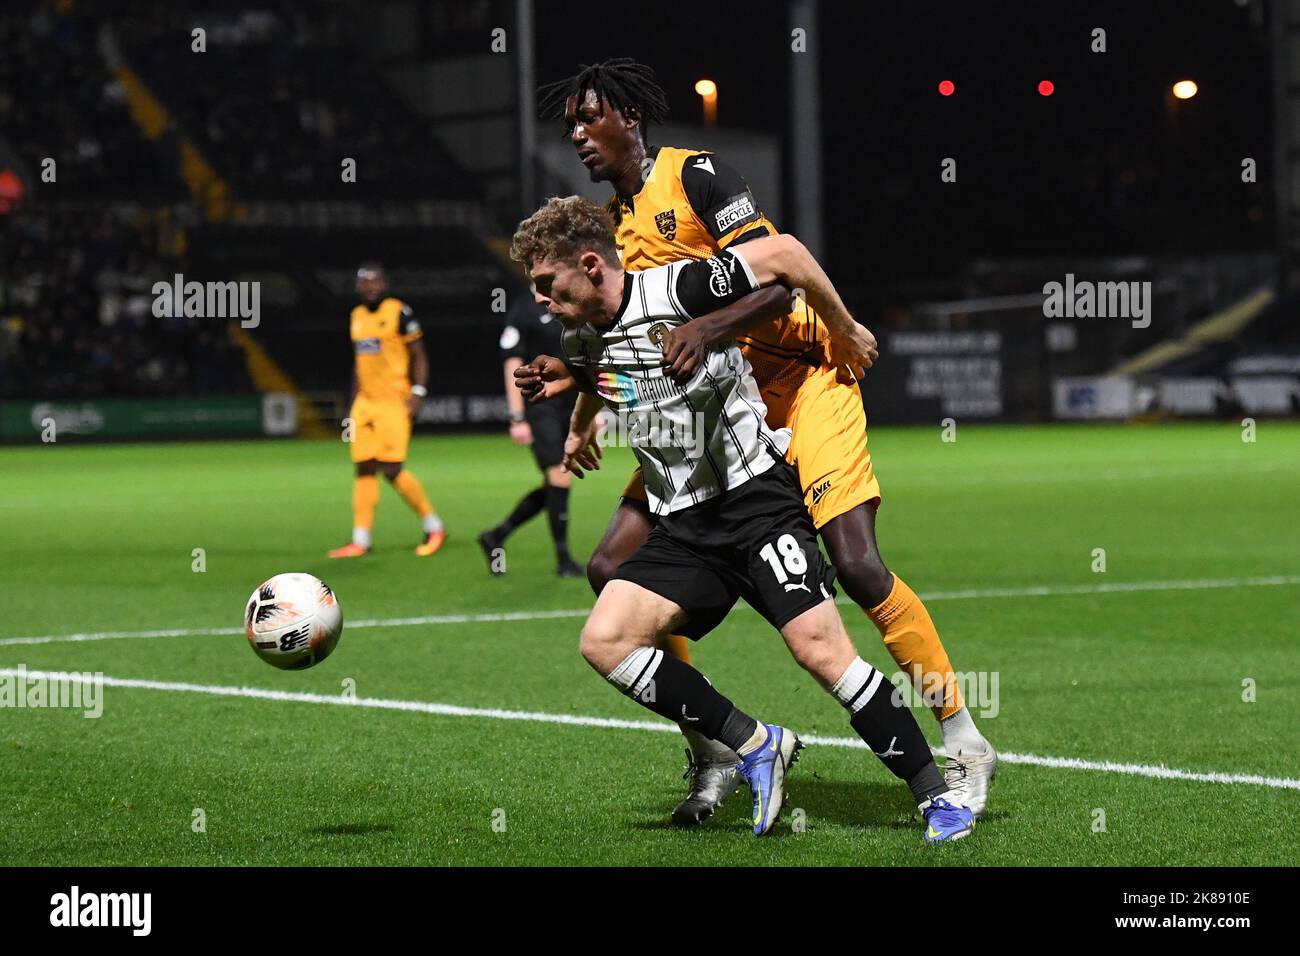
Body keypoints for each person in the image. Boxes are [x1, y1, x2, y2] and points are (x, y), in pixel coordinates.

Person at [528, 58, 997, 824]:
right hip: (711, 404)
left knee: (854, 562)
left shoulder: (699, 178)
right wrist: (584, 419)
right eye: (570, 124)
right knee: (611, 563)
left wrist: (813, 327)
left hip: (804, 373)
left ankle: (962, 737)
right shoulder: (603, 232)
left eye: (591, 116)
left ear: (630, 119)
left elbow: (779, 282)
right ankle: (712, 745)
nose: (578, 133)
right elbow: (609, 339)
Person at [328, 263, 446, 558]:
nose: (370, 287)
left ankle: (434, 526)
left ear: (385, 284)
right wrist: (352, 403)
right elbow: (360, 364)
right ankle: (361, 539)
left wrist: (418, 393)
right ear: (357, 288)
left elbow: (419, 356)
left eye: (376, 282)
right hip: (365, 404)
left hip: (394, 401)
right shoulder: (355, 316)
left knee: (392, 469)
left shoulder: (399, 312)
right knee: (364, 468)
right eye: (365, 283)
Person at [478, 286, 583, 577]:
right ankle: (564, 560)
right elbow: (511, 360)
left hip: (571, 404)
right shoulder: (524, 307)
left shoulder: (568, 300)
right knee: (559, 477)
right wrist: (517, 417)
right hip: (540, 405)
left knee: (557, 483)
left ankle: (497, 535)